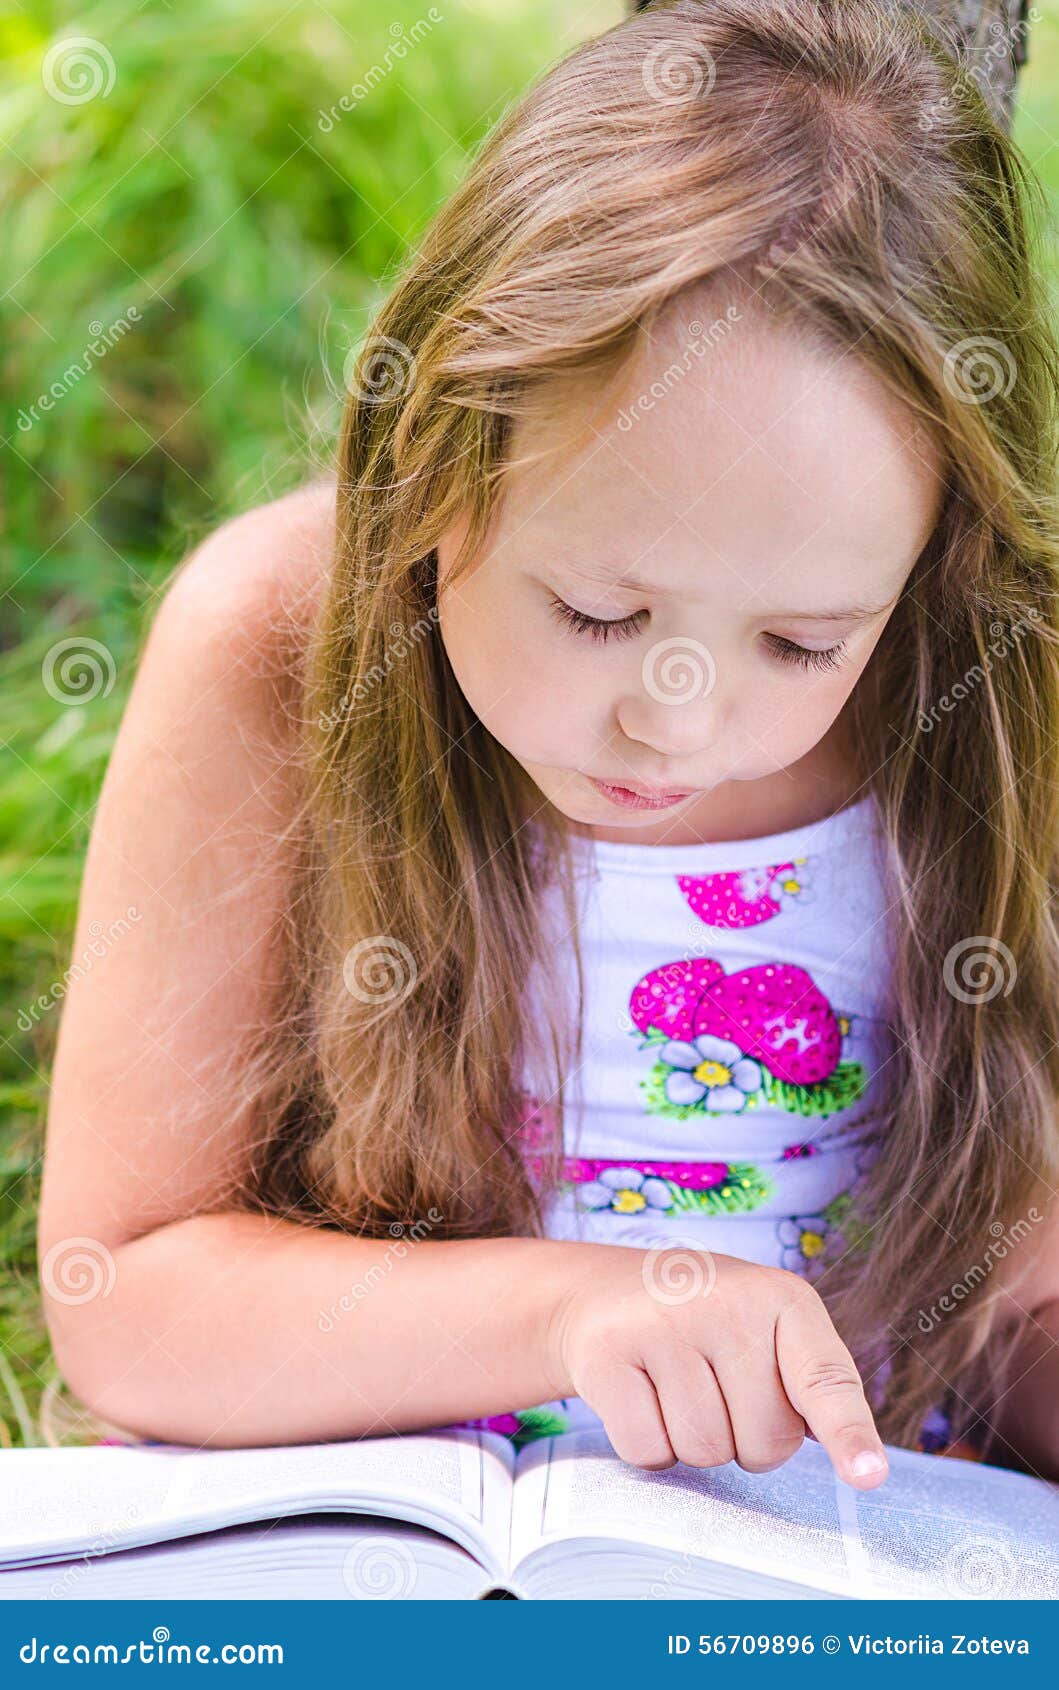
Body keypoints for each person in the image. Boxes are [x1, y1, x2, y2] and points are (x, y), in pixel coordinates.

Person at [40, 0, 1059, 1485]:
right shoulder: (276, 640)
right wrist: (577, 1309)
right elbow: (120, 1293)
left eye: (801, 643)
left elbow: (1017, 1312)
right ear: (436, 462)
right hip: (372, 1540)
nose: (680, 713)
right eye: (594, 610)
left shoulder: (982, 699)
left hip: (852, 1562)